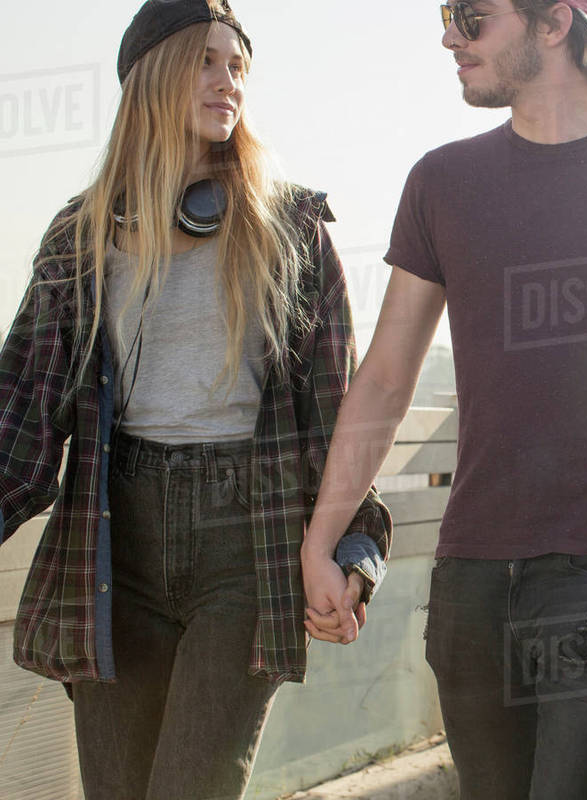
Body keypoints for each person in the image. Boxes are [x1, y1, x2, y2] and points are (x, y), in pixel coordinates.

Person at [299, 2, 587, 797]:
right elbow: (384, 378)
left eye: (471, 17)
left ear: (554, 24)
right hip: (473, 571)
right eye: (446, 16)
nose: (449, 36)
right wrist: (322, 540)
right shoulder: (441, 181)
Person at [0, 3, 390, 797]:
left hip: (245, 543)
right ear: (152, 74)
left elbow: (337, 414)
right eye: (206, 62)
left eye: (238, 65)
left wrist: (353, 553)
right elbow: (20, 418)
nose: (228, 82)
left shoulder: (291, 229)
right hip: (115, 547)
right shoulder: (80, 236)